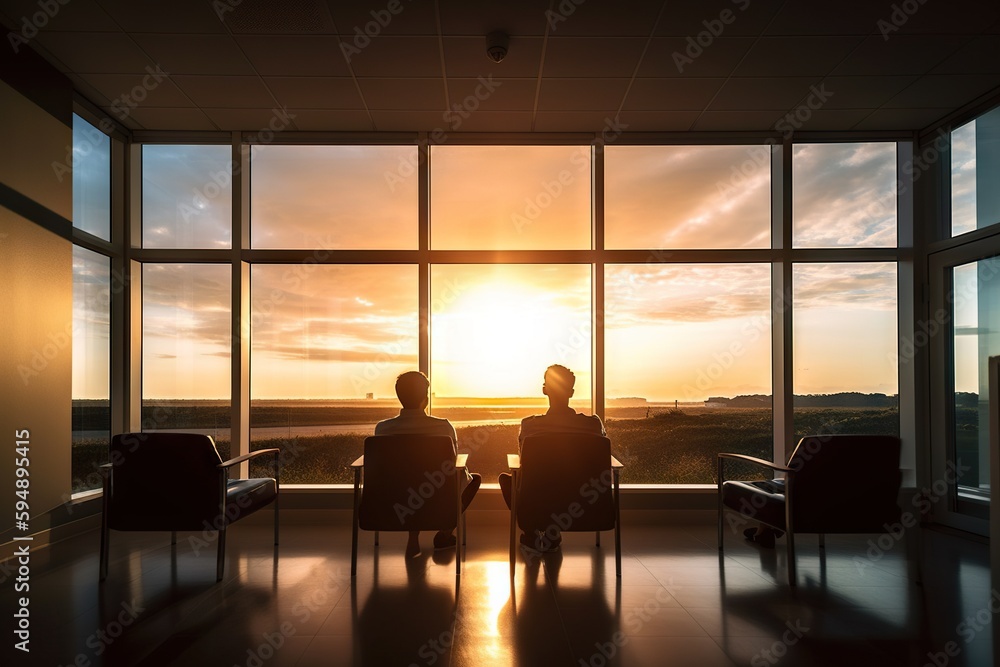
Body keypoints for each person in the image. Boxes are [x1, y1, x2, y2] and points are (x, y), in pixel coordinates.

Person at [498, 364, 605, 552]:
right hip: (583, 502)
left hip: (539, 502)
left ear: (544, 390)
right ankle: (551, 533)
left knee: (508, 479)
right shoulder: (593, 425)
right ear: (571, 392)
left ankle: (531, 533)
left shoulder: (530, 426)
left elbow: (524, 465)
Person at [374, 371, 481, 557]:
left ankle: (413, 536)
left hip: (397, 499)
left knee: (409, 481)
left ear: (399, 396)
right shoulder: (443, 427)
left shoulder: (382, 429)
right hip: (436, 499)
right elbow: (453, 463)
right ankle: (445, 532)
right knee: (474, 479)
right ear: (425, 398)